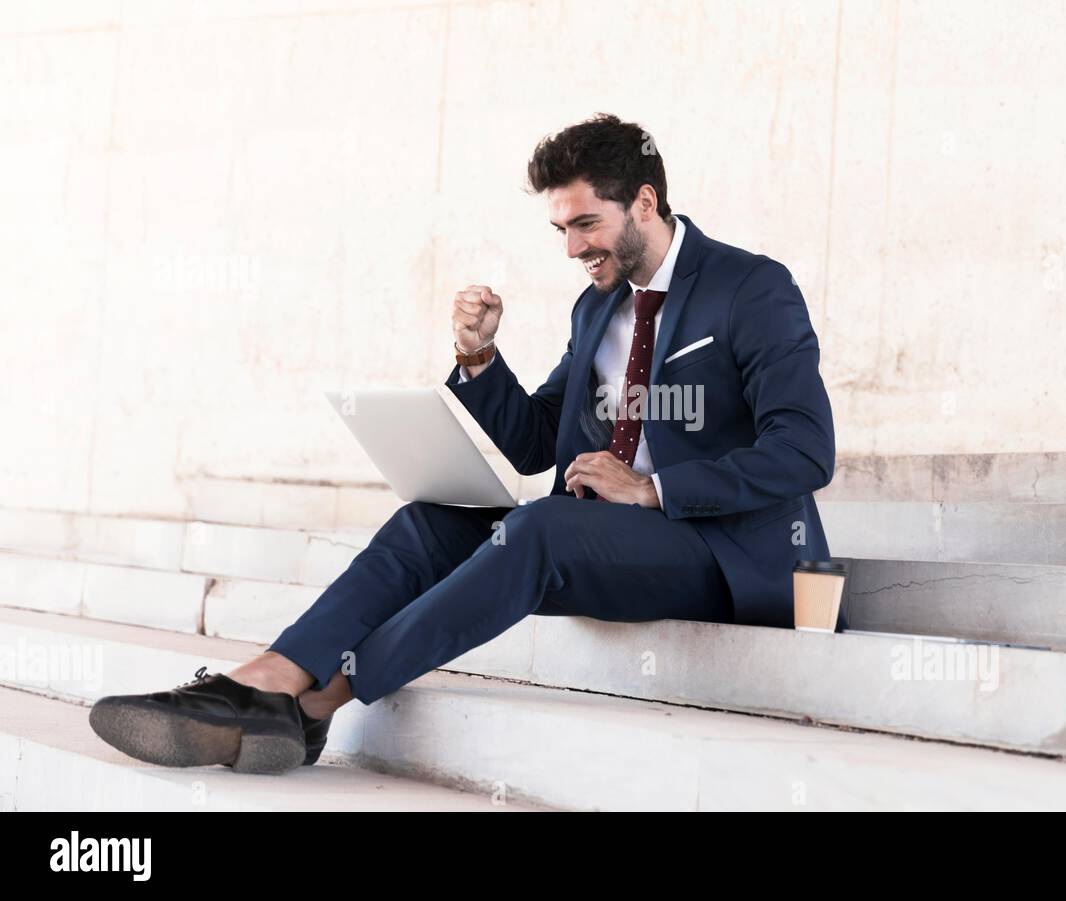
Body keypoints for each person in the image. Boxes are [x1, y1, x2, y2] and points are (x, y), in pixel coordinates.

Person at [88, 113, 840, 775]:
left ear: (644, 201)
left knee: (538, 528)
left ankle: (318, 699)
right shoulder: (596, 309)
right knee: (433, 518)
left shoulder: (750, 287)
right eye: (561, 230)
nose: (573, 247)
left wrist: (650, 488)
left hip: (728, 552)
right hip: (608, 535)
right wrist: (479, 359)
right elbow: (539, 439)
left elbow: (806, 448)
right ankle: (274, 672)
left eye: (585, 225)